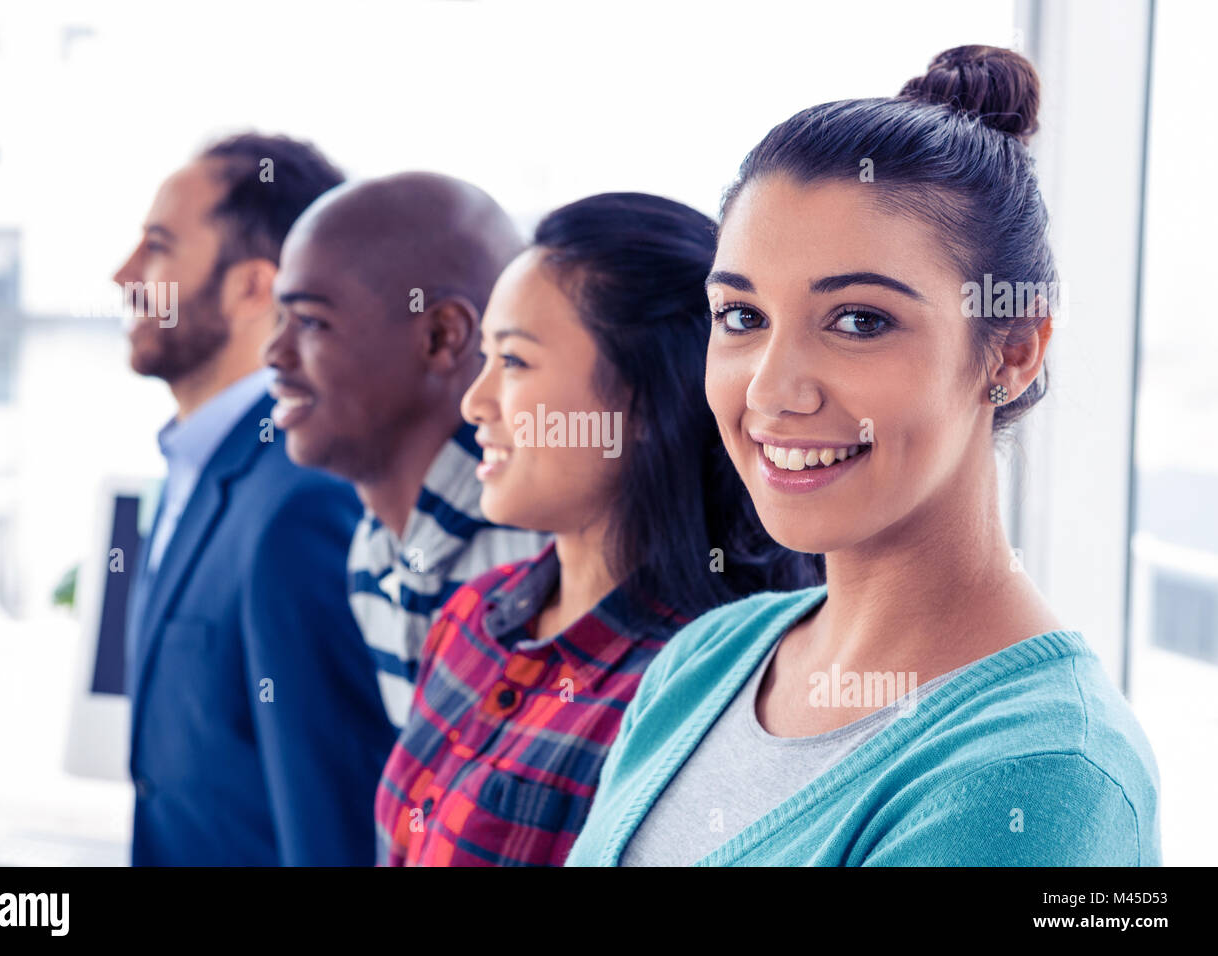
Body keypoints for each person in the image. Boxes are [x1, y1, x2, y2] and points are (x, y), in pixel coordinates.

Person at [566, 46, 1161, 866]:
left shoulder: (1044, 780)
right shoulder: (705, 663)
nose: (773, 390)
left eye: (859, 321)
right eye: (741, 316)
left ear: (1013, 351)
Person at [373, 192, 825, 866]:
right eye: (485, 360)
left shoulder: (707, 690)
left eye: (517, 363)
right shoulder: (471, 616)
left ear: (645, 402)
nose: (475, 403)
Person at [118, 133, 396, 866]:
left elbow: (327, 823)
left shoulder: (302, 500)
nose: (123, 276)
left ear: (251, 288)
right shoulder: (189, 471)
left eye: (156, 248)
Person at [262, 172, 550, 732]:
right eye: (280, 319)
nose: (274, 353)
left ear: (442, 337)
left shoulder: (537, 549)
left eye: (312, 322)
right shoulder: (373, 549)